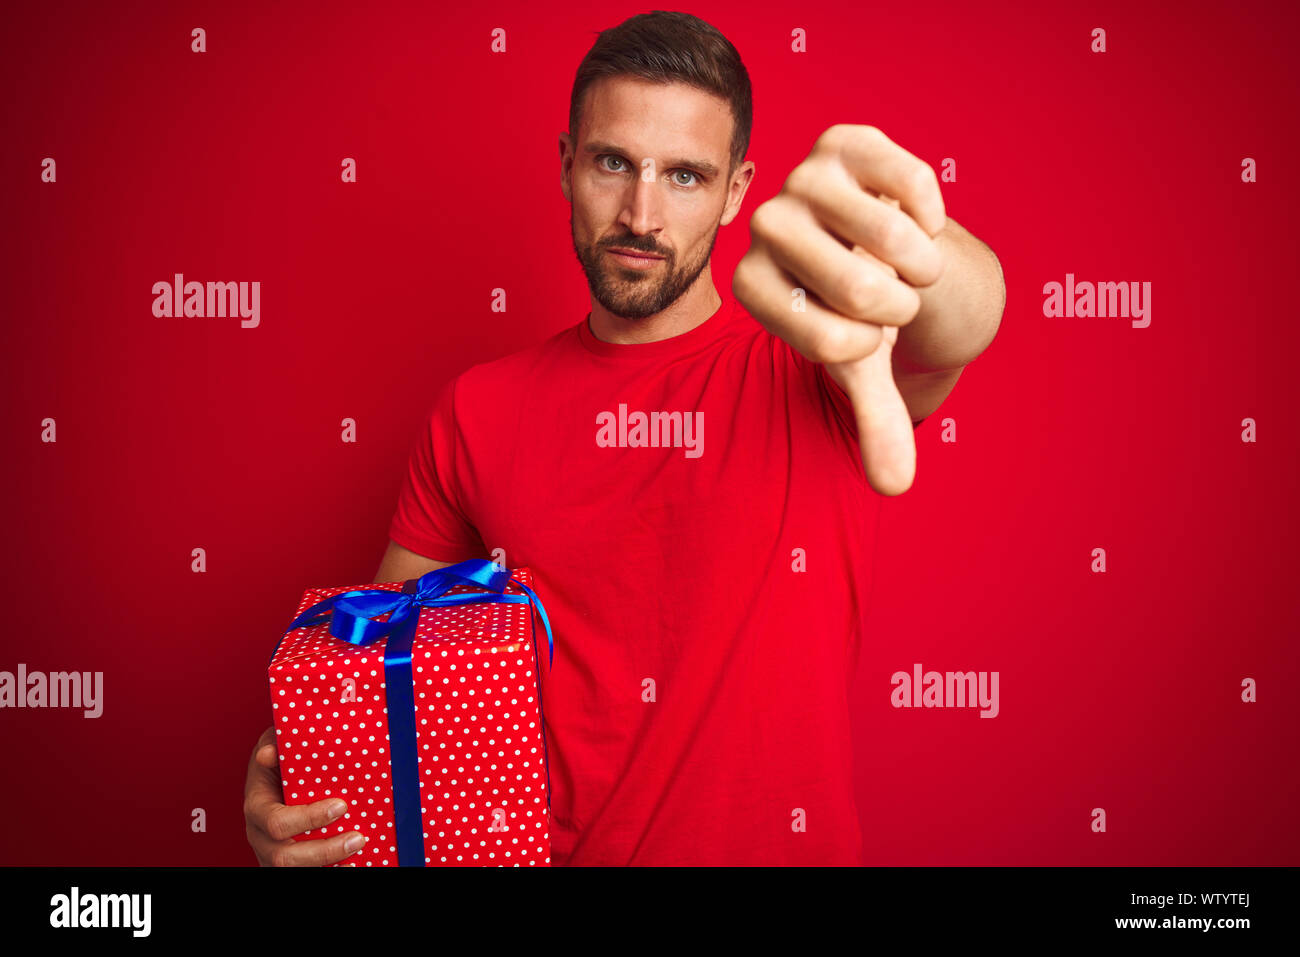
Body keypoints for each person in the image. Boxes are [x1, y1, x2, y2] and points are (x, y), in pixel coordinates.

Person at [244, 10, 1004, 866]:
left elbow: (964, 322)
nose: (642, 214)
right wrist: (290, 788)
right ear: (567, 164)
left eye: (685, 175)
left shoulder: (819, 364)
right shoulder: (476, 408)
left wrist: (914, 255)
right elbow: (377, 676)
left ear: (737, 191)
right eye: (614, 163)